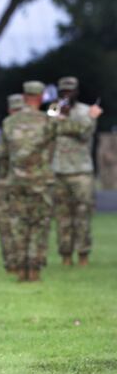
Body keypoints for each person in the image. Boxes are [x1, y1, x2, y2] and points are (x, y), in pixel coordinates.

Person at [0, 81, 93, 282]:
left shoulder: (9, 122)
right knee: (39, 225)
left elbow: (4, 157)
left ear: (24, 97)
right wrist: (90, 117)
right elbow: (77, 129)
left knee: (19, 224)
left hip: (16, 181)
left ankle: (21, 270)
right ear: (41, 97)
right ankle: (34, 271)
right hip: (41, 182)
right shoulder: (47, 121)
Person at [50, 76, 103, 266]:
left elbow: (84, 131)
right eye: (63, 91)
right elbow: (48, 130)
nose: (66, 94)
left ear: (76, 92)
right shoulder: (53, 111)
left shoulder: (87, 111)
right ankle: (65, 255)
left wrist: (63, 121)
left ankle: (83, 254)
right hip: (58, 170)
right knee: (62, 217)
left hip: (81, 171)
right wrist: (60, 117)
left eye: (70, 91)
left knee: (82, 216)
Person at [0, 93, 24, 273]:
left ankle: (16, 263)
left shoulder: (8, 127)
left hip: (12, 182)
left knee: (14, 223)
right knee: (8, 223)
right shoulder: (6, 128)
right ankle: (14, 263)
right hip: (9, 182)